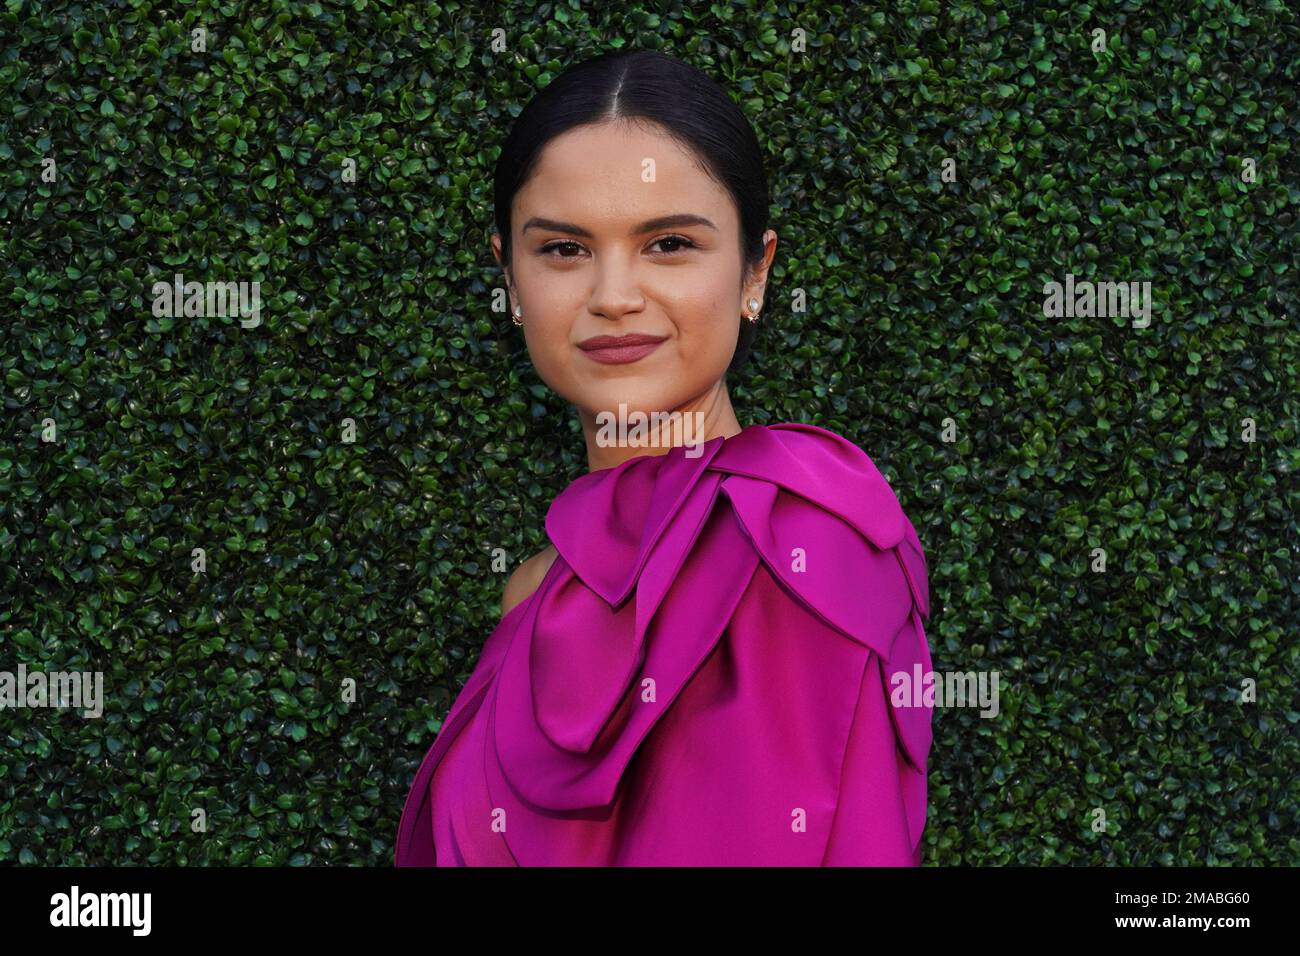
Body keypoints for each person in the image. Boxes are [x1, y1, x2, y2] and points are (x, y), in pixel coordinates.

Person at [395, 48, 933, 866]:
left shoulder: (794, 526)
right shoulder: (535, 589)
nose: (613, 294)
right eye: (564, 250)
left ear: (756, 271)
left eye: (669, 243)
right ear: (508, 276)